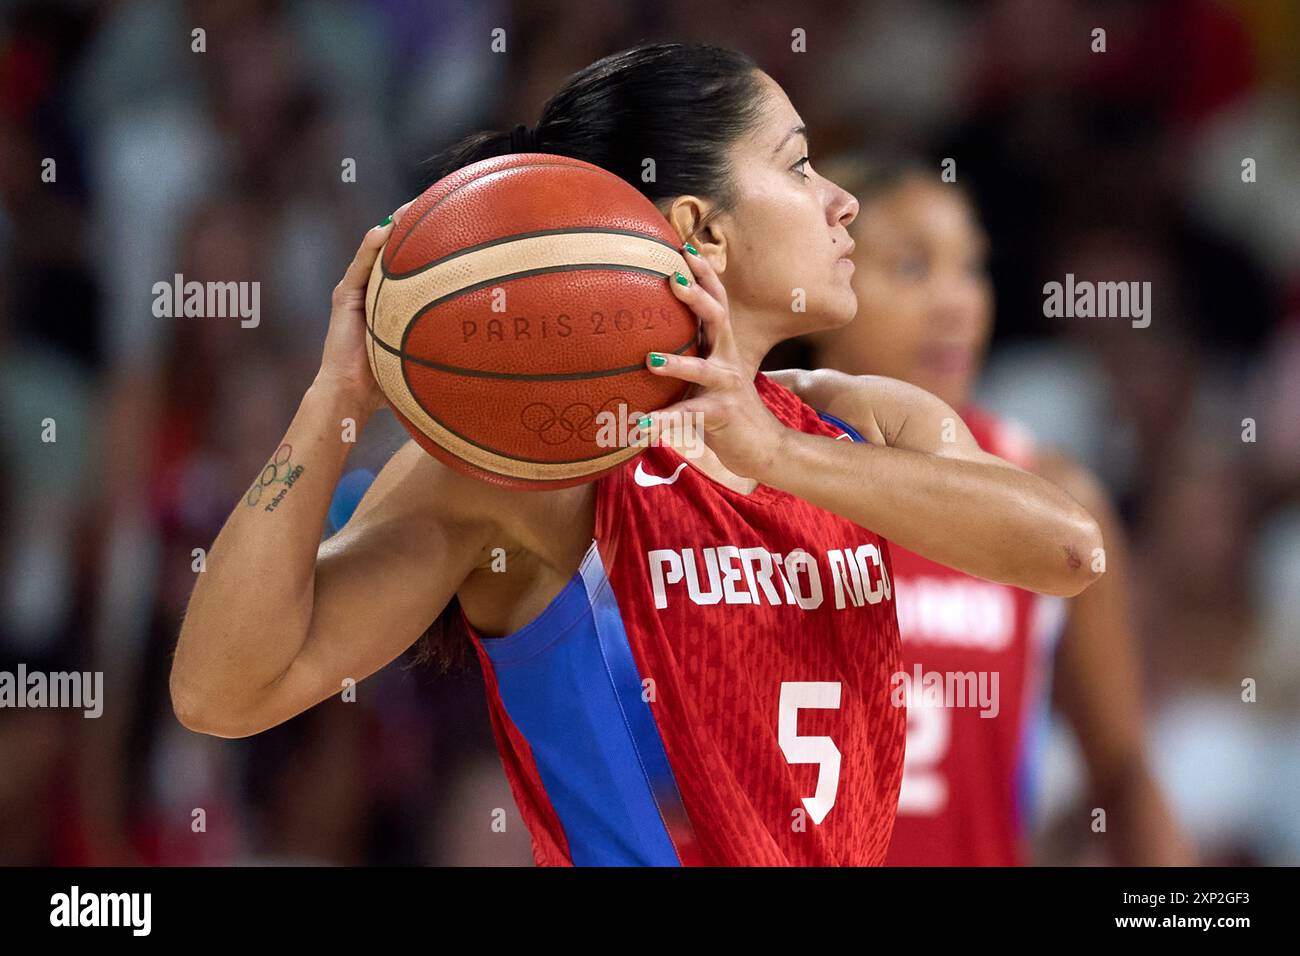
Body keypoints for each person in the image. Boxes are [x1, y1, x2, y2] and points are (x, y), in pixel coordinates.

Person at [169, 43, 1103, 867]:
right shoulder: (534, 473)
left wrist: (773, 453)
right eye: (801, 166)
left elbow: (1067, 553)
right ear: (701, 229)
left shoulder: (868, 424)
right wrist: (331, 405)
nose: (842, 201)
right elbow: (222, 691)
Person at [788, 156, 1189, 865]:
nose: (958, 303)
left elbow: (1122, 768)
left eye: (970, 269)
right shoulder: (751, 472)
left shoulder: (1049, 499)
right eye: (912, 268)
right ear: (819, 289)